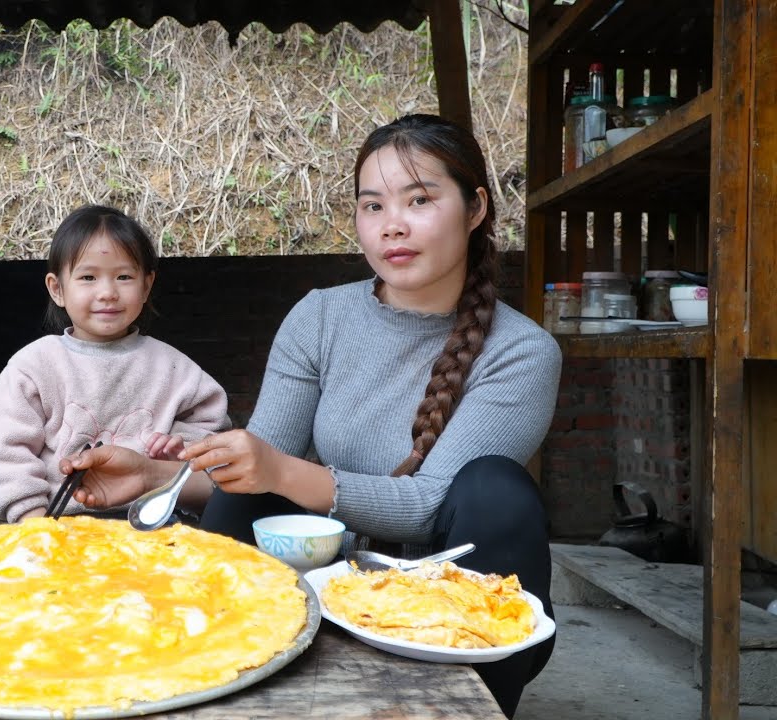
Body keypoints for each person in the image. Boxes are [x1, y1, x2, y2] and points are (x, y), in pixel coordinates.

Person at [60, 114, 562, 718]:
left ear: (475, 208)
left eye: (420, 199)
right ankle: (216, 672)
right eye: (372, 206)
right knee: (241, 497)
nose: (392, 226)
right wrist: (151, 477)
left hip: (455, 594)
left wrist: (279, 470)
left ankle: (474, 706)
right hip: (330, 569)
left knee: (498, 490)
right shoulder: (320, 318)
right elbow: (254, 472)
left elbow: (429, 503)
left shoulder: (521, 350)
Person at [0, 204, 232, 523]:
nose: (108, 292)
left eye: (124, 276)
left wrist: (177, 454)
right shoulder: (34, 366)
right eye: (88, 277)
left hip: (154, 526)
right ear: (57, 289)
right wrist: (33, 521)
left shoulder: (174, 369)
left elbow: (214, 439)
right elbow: (3, 451)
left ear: (146, 286)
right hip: (55, 525)